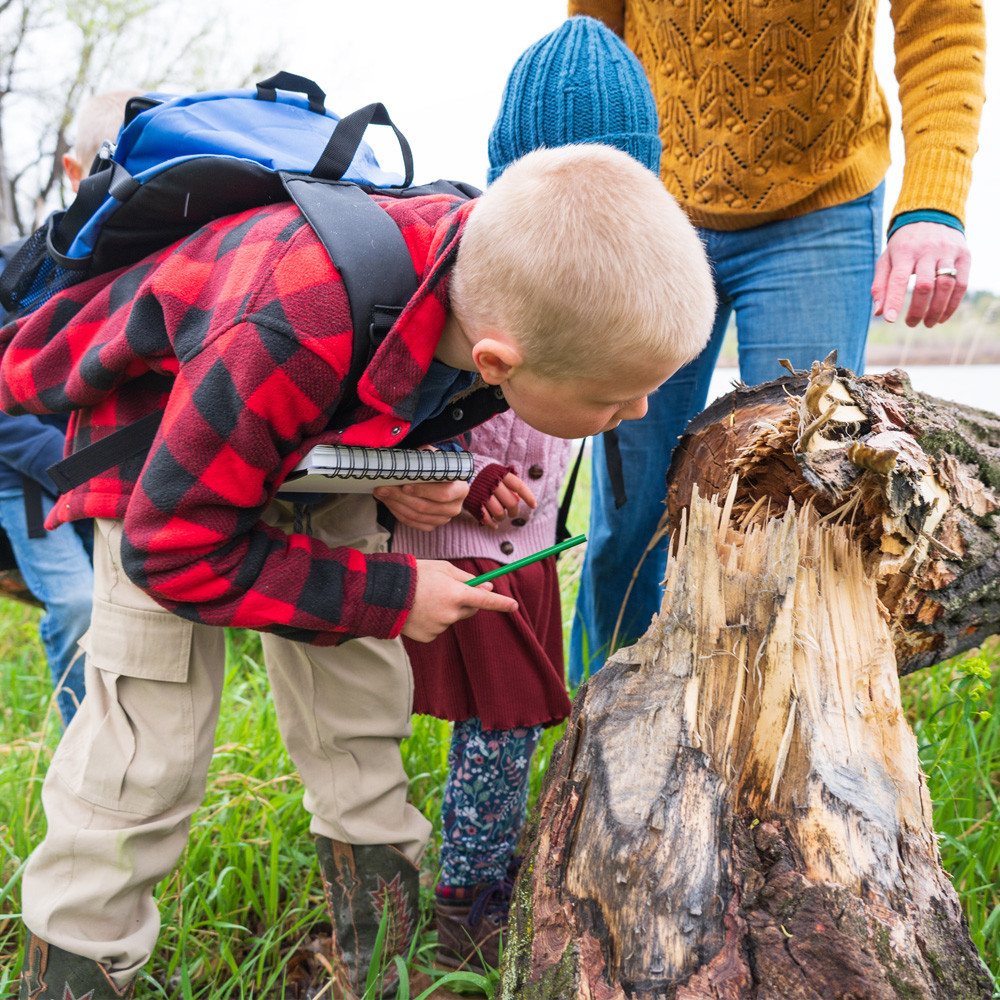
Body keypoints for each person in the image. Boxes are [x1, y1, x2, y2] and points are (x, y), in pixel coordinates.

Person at [2, 141, 716, 999]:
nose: (635, 412)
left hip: (310, 438)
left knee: (358, 709)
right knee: (148, 743)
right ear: (497, 361)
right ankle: (76, 967)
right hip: (169, 460)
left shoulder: (486, 279)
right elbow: (172, 550)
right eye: (614, 399)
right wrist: (393, 592)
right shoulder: (290, 324)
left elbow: (386, 398)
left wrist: (406, 477)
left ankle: (378, 964)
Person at [566, 0, 987, 681]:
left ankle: (776, 744)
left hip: (820, 205)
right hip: (655, 198)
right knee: (629, 516)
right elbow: (595, 33)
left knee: (803, 509)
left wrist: (933, 202)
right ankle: (598, 730)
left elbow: (941, 20)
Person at [391, 15, 665, 975]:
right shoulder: (474, 260)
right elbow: (411, 406)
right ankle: (446, 901)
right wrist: (465, 478)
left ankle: (479, 887)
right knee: (426, 716)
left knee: (505, 733)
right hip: (446, 551)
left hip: (528, 549)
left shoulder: (618, 281)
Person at [0, 89, 140, 725]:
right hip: (31, 474)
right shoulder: (19, 271)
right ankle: (81, 739)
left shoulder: (144, 270)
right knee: (78, 601)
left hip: (103, 470)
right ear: (73, 171)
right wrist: (80, 466)